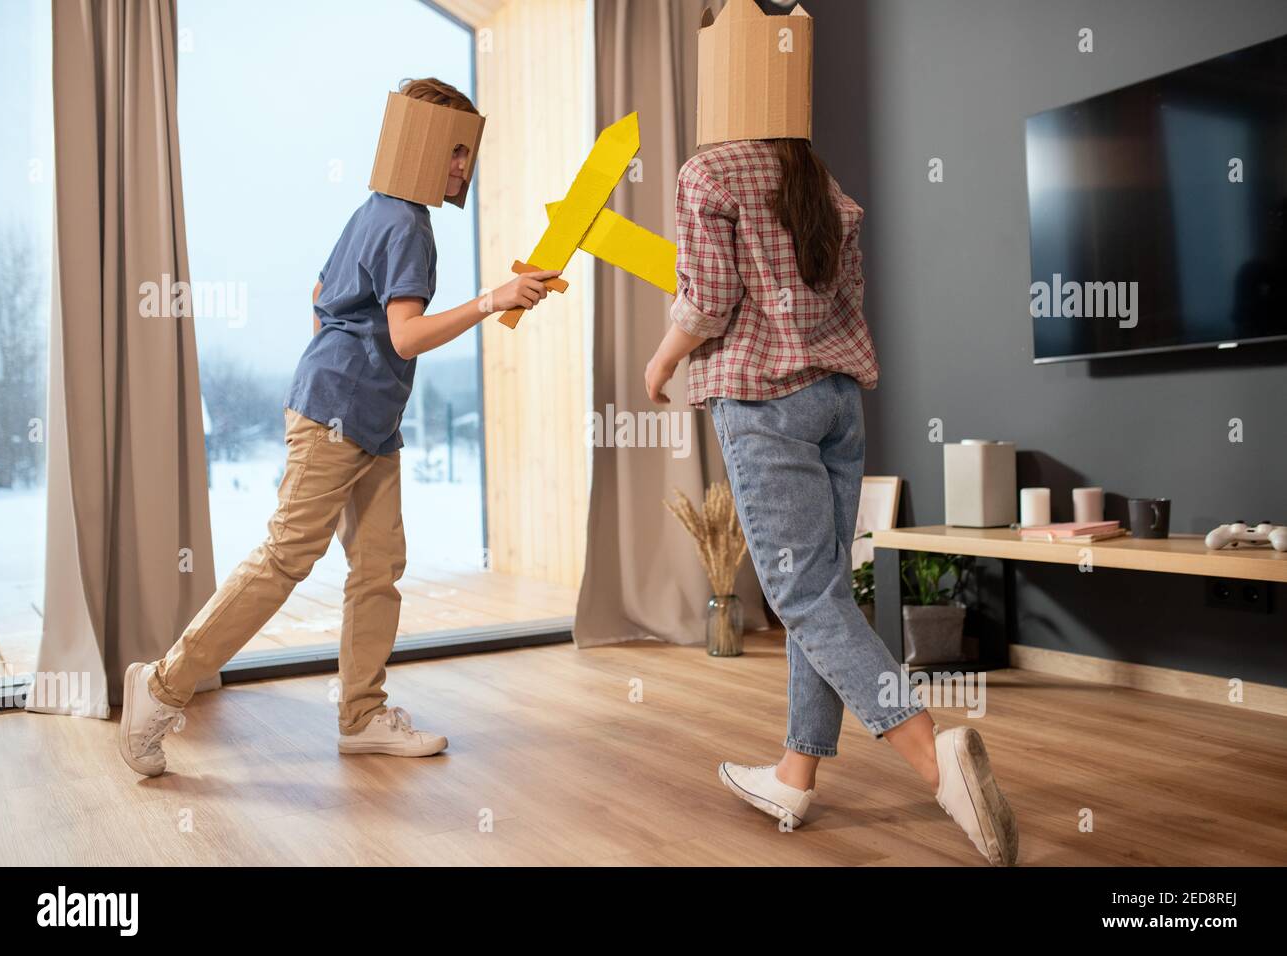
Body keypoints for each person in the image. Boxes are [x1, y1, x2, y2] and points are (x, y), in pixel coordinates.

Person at [118, 77, 559, 777]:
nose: (462, 167)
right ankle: (161, 685)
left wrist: (350, 361)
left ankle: (360, 716)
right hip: (339, 418)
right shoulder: (408, 225)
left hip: (366, 419)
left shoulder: (377, 210)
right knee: (286, 558)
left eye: (465, 153)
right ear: (419, 143)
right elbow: (407, 337)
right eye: (453, 151)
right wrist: (493, 299)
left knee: (378, 566)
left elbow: (320, 297)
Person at [643, 137, 1018, 866]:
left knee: (806, 598)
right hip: (837, 399)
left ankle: (938, 767)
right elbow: (845, 299)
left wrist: (661, 361)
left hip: (763, 401)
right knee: (826, 593)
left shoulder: (708, 169)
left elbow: (710, 302)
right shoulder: (811, 169)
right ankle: (795, 772)